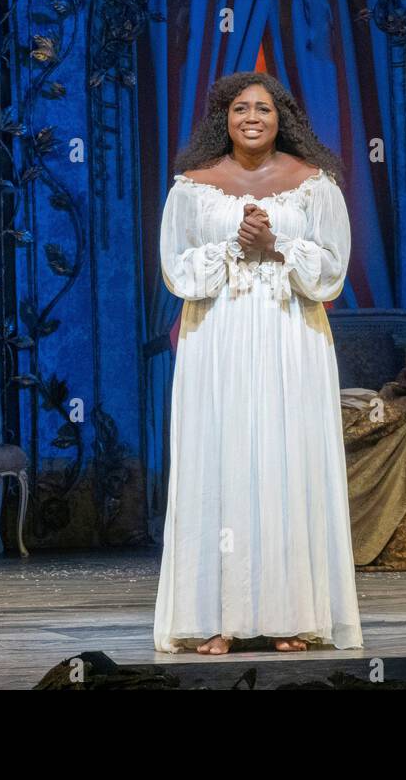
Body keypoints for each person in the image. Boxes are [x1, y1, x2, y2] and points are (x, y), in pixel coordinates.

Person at [152, 71, 364, 655]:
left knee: (285, 468)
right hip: (217, 340)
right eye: (240, 107)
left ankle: (289, 616)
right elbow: (177, 270)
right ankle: (215, 619)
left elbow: (331, 270)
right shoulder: (191, 188)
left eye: (264, 109)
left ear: (282, 118)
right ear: (223, 116)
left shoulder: (316, 186)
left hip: (291, 338)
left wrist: (278, 247)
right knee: (221, 468)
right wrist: (232, 248)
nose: (252, 117)